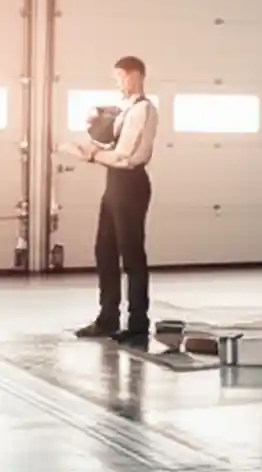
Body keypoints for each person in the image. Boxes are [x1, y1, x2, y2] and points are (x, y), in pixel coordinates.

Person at [70, 56, 160, 347]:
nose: (118, 82)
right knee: (104, 250)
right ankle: (107, 318)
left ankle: (137, 324)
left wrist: (93, 155)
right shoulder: (125, 110)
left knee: (131, 254)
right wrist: (93, 134)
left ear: (135, 76)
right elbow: (110, 144)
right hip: (114, 185)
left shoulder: (144, 110)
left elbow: (126, 157)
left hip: (130, 183)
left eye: (120, 76)